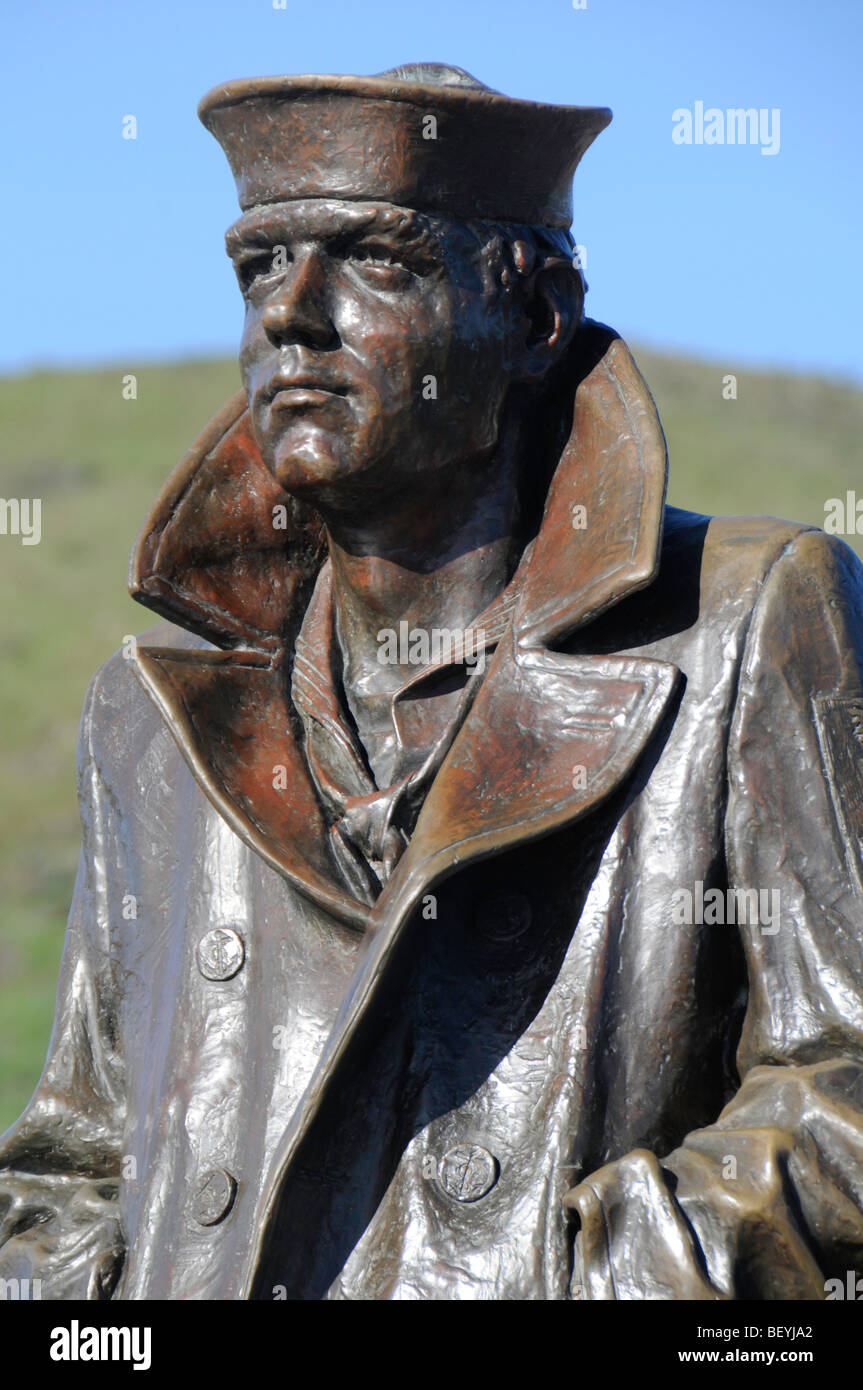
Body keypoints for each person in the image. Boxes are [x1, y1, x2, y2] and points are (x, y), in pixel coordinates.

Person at [2, 62, 863, 1301]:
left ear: (534, 318)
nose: (291, 314)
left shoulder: (739, 621)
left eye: (376, 262)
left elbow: (842, 1082)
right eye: (258, 269)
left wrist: (589, 1276)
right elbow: (70, 1173)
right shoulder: (150, 721)